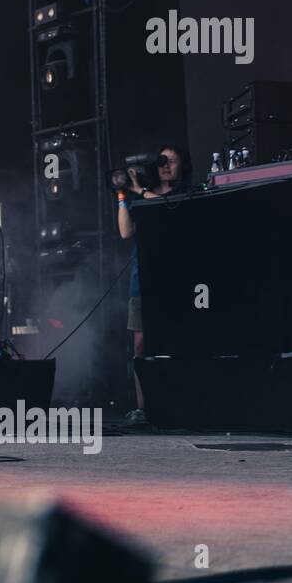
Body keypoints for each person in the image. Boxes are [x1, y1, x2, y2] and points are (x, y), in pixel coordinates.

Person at [116, 145, 189, 427]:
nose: (165, 165)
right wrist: (123, 194)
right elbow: (125, 232)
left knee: (175, 340)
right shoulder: (142, 197)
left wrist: (139, 192)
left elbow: (168, 210)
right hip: (142, 278)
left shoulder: (183, 194)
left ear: (182, 164)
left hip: (175, 279)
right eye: (161, 161)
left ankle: (176, 403)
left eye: (171, 160)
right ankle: (142, 407)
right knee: (140, 344)